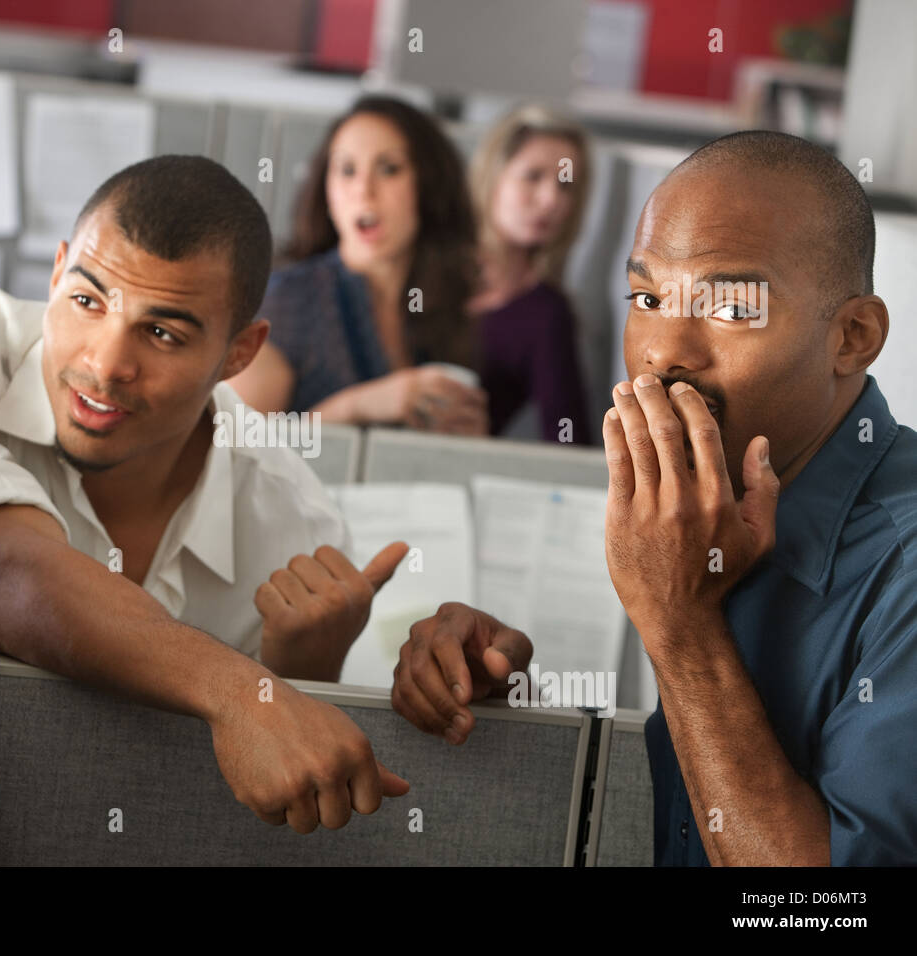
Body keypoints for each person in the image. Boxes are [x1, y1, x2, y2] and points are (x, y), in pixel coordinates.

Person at [391, 130, 917, 866]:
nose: (663, 352)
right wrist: (505, 692)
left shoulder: (903, 568)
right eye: (647, 297)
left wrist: (680, 624)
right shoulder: (691, 501)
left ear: (853, 337)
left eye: (731, 309)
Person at [0, 155, 410, 834]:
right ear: (58, 270)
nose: (105, 364)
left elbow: (268, 784)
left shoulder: (293, 521)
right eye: (86, 301)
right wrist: (238, 691)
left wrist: (304, 671)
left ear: (240, 353)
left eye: (161, 333)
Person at [228, 95, 486, 434]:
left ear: (428, 188)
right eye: (347, 170)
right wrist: (358, 406)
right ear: (327, 192)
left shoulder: (451, 305)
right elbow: (235, 445)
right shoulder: (288, 300)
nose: (364, 190)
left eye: (389, 169)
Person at [467, 104, 593, 444]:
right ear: (493, 175)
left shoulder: (547, 314)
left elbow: (568, 442)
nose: (551, 200)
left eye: (566, 186)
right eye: (533, 176)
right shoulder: (423, 266)